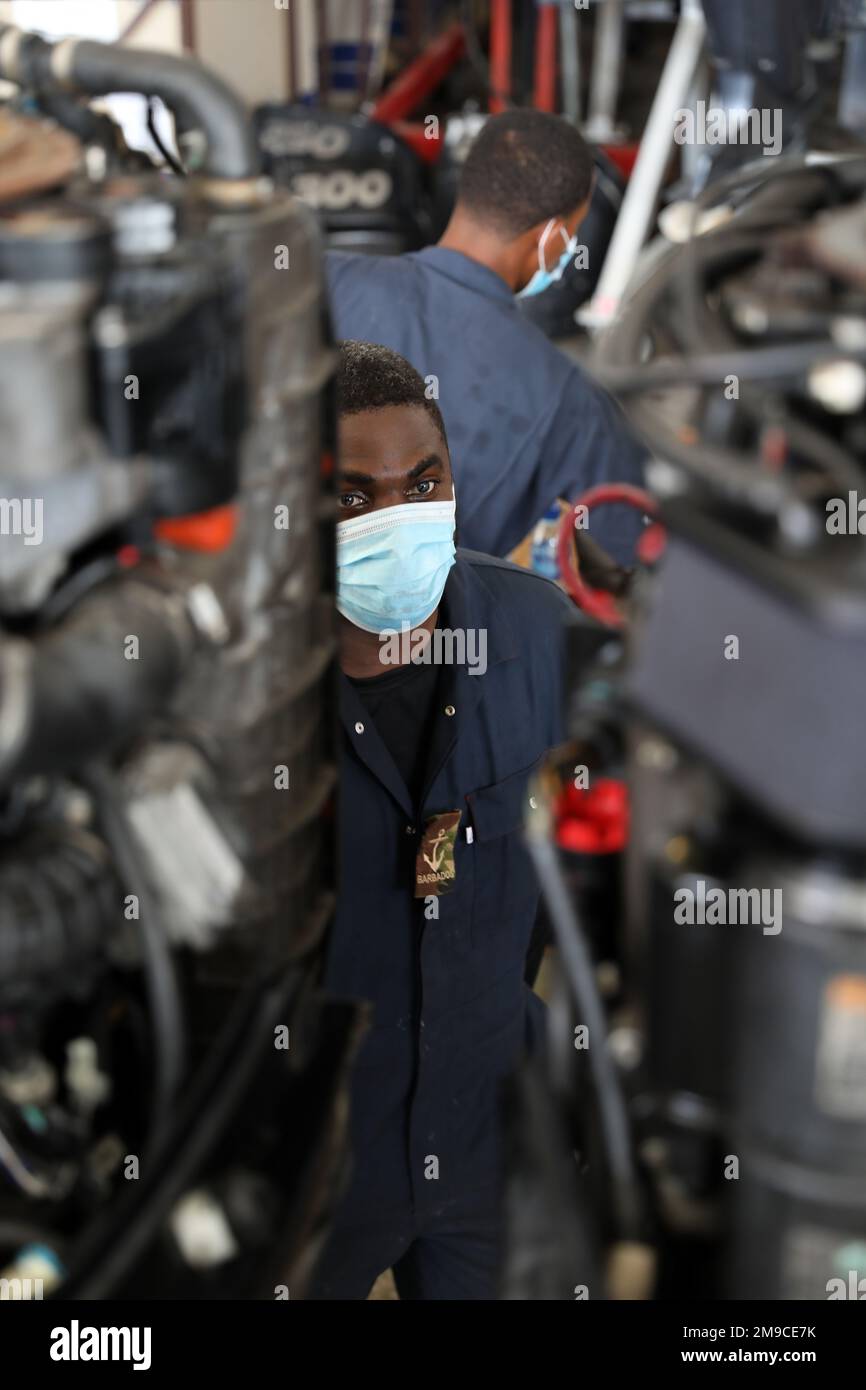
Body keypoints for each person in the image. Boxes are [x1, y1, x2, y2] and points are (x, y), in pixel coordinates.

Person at [310, 340, 576, 1300]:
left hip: (485, 1145)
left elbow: (555, 888)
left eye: (423, 484)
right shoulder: (255, 703)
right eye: (354, 498)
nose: (397, 519)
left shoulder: (533, 634)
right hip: (317, 1172)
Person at [325, 109, 647, 565]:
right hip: (427, 632)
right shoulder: (569, 400)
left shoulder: (328, 278)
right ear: (553, 236)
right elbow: (623, 559)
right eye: (571, 235)